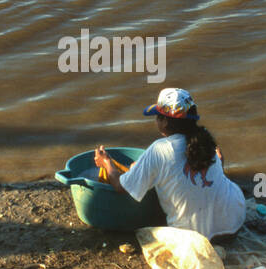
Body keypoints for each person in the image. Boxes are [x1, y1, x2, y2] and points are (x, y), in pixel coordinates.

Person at [93, 88, 245, 242]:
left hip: (196, 237)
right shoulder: (205, 139)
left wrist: (106, 163)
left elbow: (121, 186)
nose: (156, 121)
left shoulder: (159, 149)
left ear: (165, 122)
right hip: (233, 222)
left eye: (158, 117)